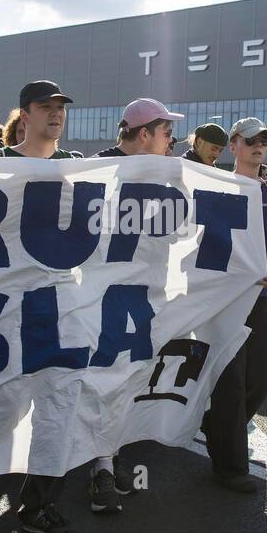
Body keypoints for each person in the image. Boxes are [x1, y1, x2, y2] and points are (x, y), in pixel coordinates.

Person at [0, 80, 81, 533]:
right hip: (2, 305)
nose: (56, 114)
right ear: (25, 113)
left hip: (60, 304)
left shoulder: (78, 167)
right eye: (46, 107)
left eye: (61, 107)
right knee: (1, 401)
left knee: (59, 402)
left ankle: (38, 504)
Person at [82, 97, 183, 511]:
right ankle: (100, 465)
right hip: (105, 295)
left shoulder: (164, 173)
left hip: (144, 290)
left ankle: (108, 454)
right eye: (165, 132)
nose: (171, 140)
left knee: (130, 377)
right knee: (103, 376)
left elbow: (174, 231)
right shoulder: (95, 170)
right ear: (144, 134)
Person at [201, 118, 267, 493]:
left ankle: (221, 427)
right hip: (223, 297)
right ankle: (230, 466)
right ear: (234, 145)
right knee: (231, 380)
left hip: (257, 296)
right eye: (250, 140)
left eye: (263, 140)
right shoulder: (214, 186)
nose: (258, 145)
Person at [93, 98, 182, 159]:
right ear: (144, 134)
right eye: (168, 133)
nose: (171, 139)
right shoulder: (96, 168)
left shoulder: (96, 164)